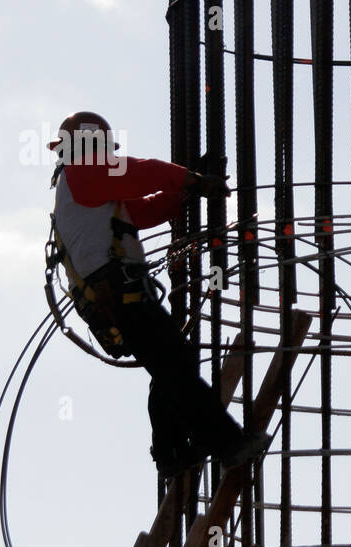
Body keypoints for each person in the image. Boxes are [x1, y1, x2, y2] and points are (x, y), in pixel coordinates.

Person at [47, 110, 269, 480]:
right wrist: (191, 179)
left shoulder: (89, 187)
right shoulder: (83, 173)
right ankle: (228, 445)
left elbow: (144, 210)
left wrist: (184, 190)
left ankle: (171, 453)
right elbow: (140, 172)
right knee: (174, 365)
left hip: (119, 294)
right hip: (117, 292)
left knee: (170, 366)